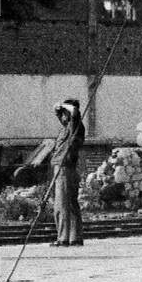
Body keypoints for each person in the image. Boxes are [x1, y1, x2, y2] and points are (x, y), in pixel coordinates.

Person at [50, 98, 85, 247]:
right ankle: (74, 237)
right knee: (69, 204)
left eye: (65, 113)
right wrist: (58, 107)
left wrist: (65, 106)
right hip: (61, 167)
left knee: (62, 205)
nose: (62, 116)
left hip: (65, 167)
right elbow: (56, 111)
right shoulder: (66, 127)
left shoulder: (75, 125)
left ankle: (63, 238)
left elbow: (75, 112)